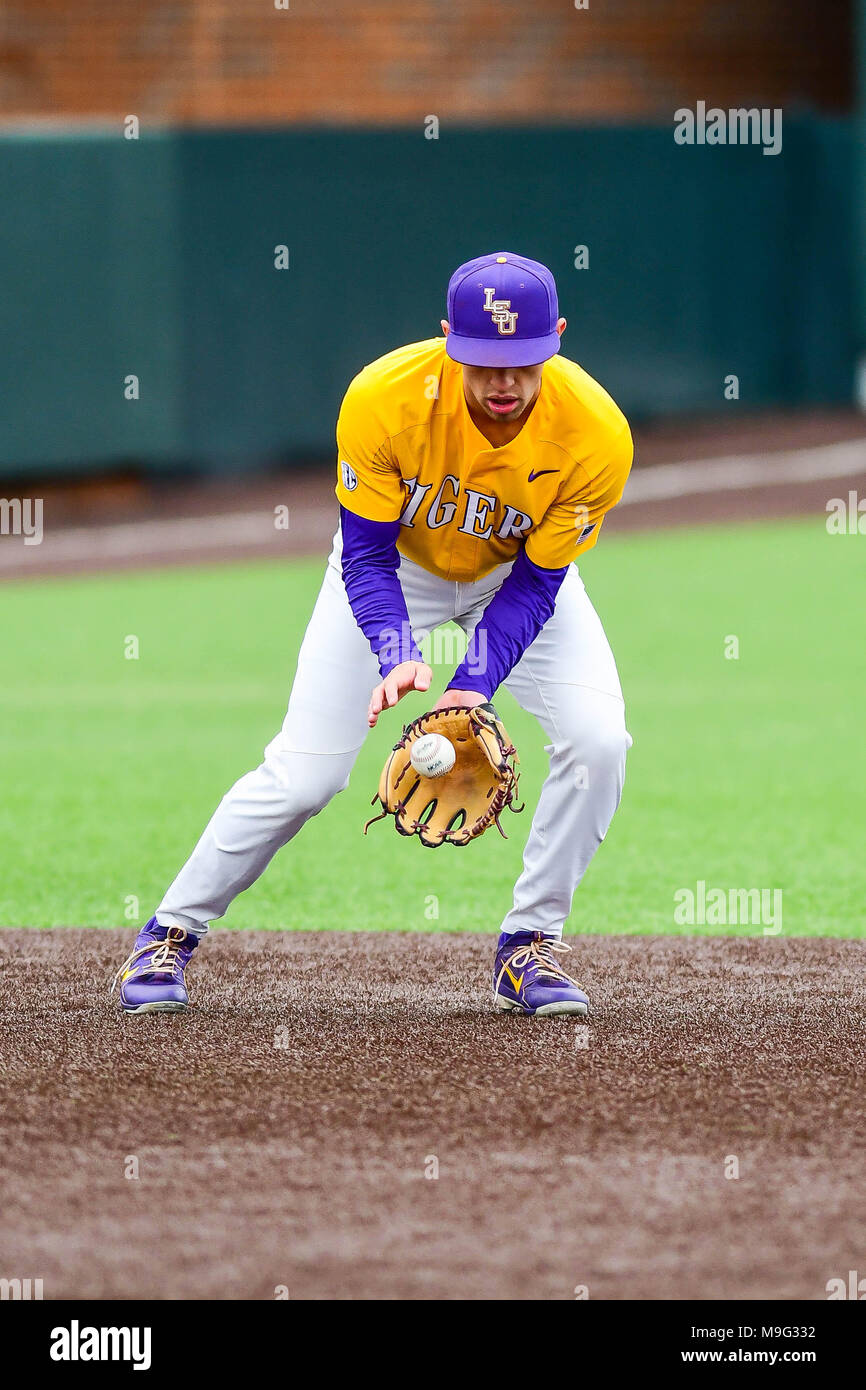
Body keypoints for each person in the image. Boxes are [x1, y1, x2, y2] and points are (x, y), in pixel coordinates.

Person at [113, 251, 633, 1018]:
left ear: (556, 339)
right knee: (305, 778)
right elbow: (363, 555)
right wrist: (395, 652)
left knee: (599, 742)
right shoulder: (384, 398)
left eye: (521, 362)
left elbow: (536, 585)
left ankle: (529, 946)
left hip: (512, 576)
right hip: (398, 571)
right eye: (482, 361)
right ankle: (169, 934)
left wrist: (473, 684)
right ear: (446, 339)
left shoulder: (596, 435)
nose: (501, 382)